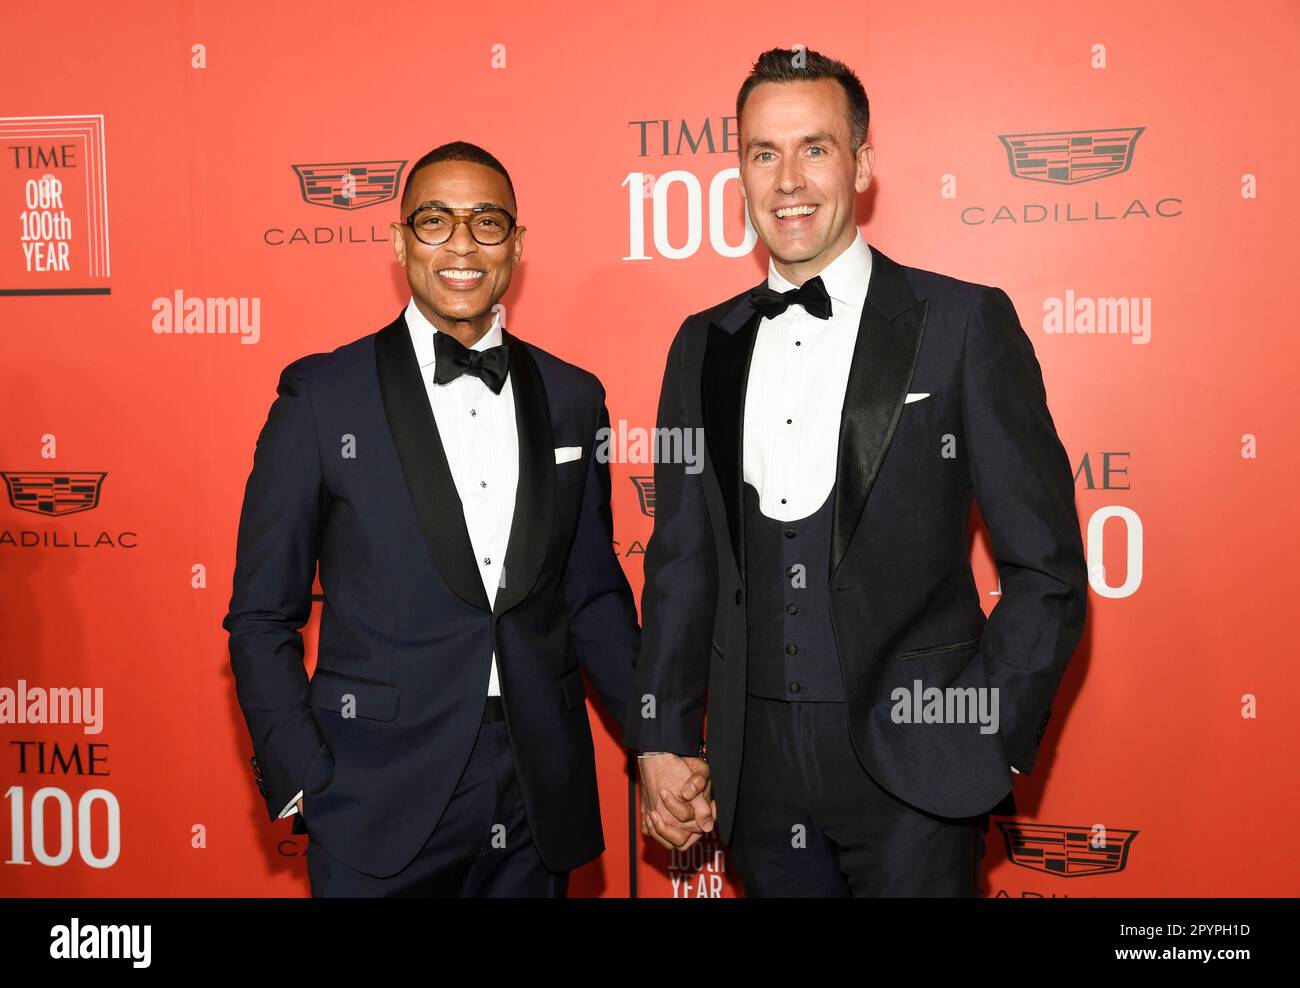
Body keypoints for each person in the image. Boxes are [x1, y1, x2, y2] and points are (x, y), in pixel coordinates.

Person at [627, 49, 1088, 896]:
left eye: (815, 148)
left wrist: (977, 730)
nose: (788, 180)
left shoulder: (961, 324)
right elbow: (682, 559)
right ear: (740, 172)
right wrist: (660, 735)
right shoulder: (702, 344)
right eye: (764, 153)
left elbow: (1047, 569)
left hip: (919, 768)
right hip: (754, 777)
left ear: (862, 164)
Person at [224, 141, 647, 896]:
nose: (461, 244)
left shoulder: (575, 397)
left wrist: (663, 735)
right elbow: (261, 615)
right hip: (371, 796)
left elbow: (591, 598)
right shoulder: (323, 399)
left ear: (517, 246)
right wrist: (306, 776)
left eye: (487, 223)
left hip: (533, 798)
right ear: (397, 241)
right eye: (435, 221)